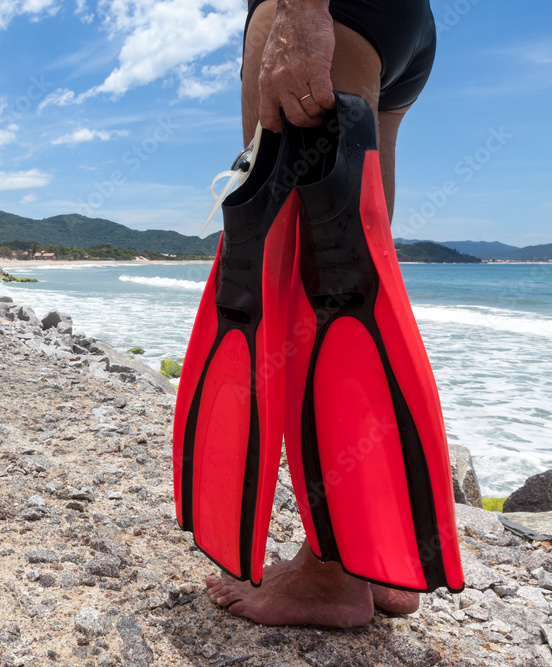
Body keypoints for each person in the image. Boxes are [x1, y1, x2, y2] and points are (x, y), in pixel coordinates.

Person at [204, 0, 437, 627]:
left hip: (332, 12)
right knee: (359, 282)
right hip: (401, 24)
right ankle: (379, 557)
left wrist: (299, 13)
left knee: (312, 292)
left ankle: (332, 574)